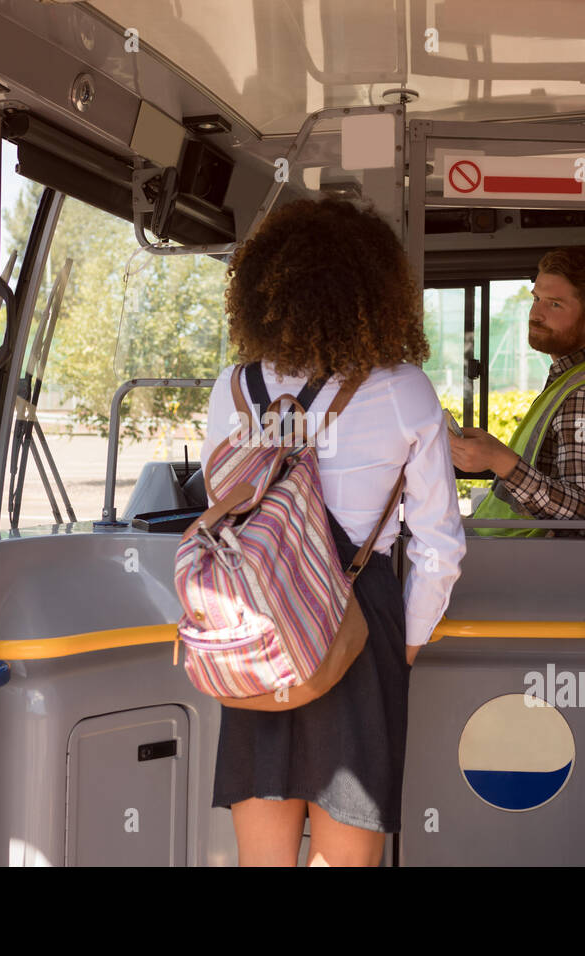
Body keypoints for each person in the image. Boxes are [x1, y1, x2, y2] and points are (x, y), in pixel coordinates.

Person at [200, 198, 465, 866]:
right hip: (357, 615)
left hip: (256, 618)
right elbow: (439, 545)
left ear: (266, 290)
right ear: (378, 291)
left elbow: (222, 502)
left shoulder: (231, 388)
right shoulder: (405, 391)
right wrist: (405, 642)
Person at [449, 247, 585, 537]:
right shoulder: (568, 378)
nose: (535, 314)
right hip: (505, 551)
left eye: (555, 305)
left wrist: (498, 459)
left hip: (521, 568)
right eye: (536, 299)